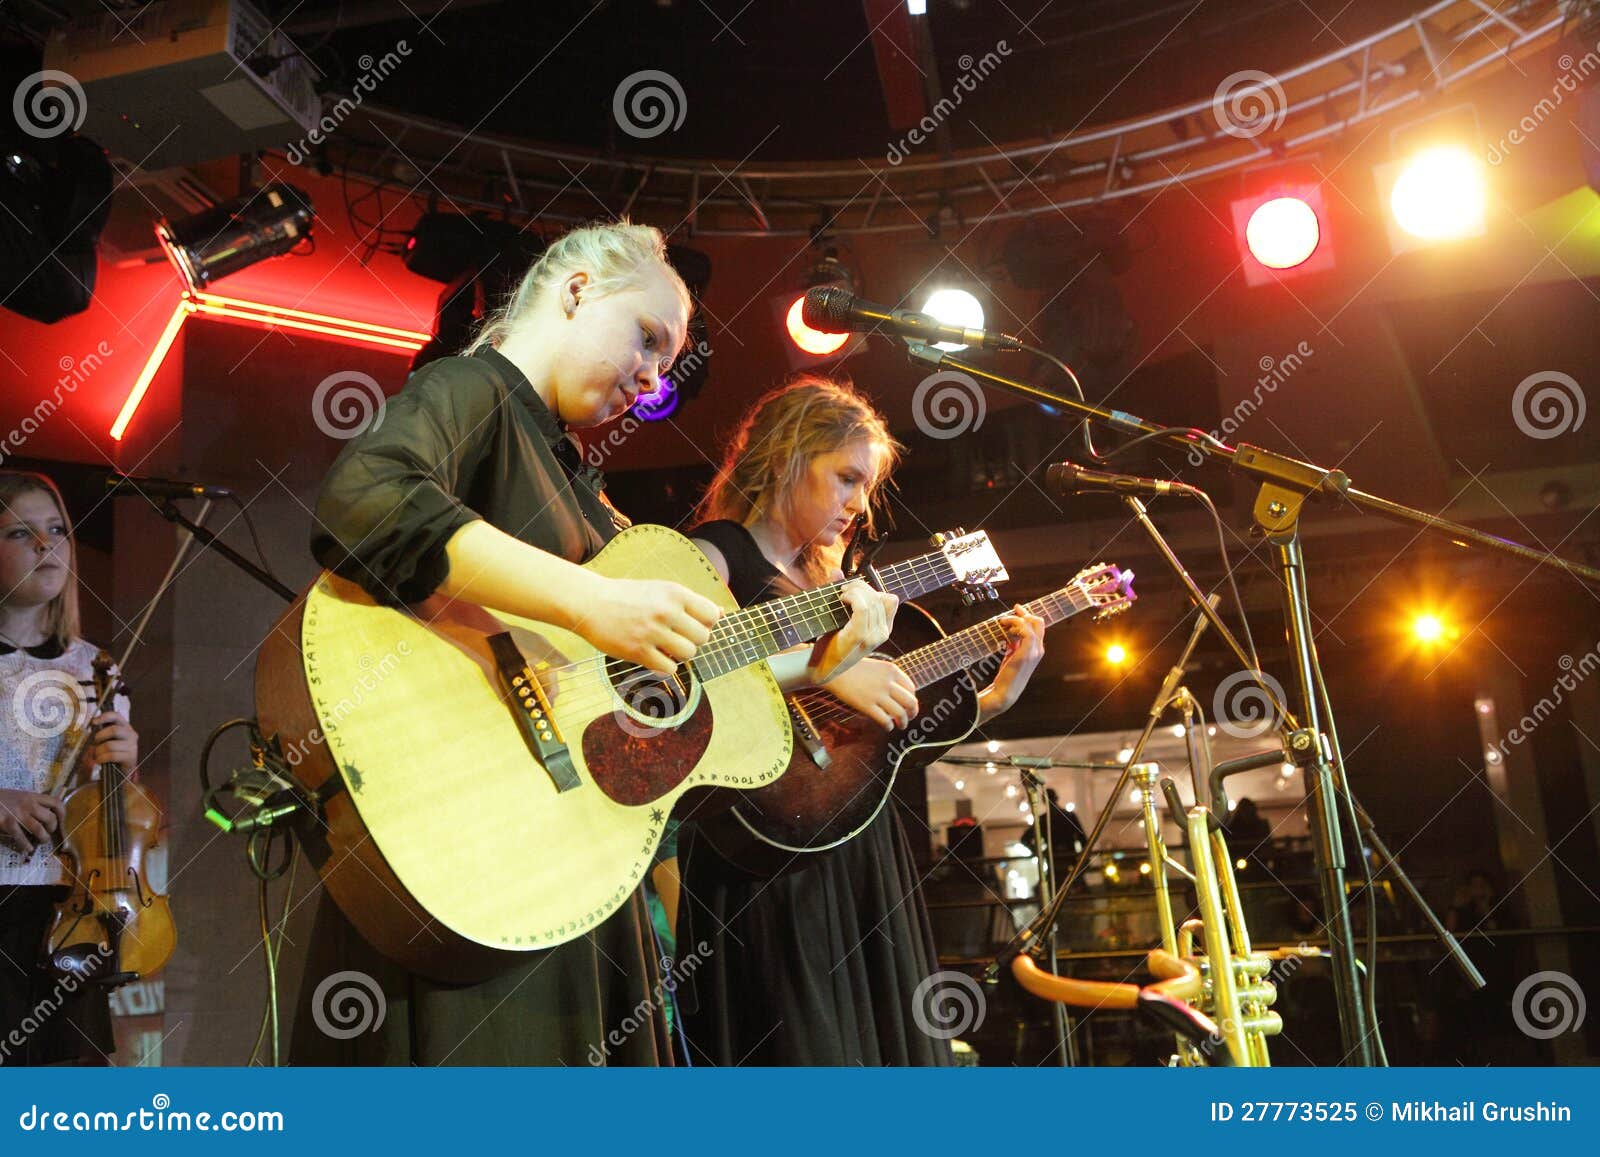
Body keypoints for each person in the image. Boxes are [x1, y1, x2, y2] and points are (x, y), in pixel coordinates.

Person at [290, 221, 895, 1066]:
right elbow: (367, 500)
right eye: (647, 339)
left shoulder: (576, 477)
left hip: (562, 858)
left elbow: (664, 670)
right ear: (576, 291)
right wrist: (591, 601)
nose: (653, 380)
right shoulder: (474, 389)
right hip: (469, 847)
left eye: (666, 362)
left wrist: (821, 664)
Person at [676, 375, 1046, 1065]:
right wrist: (832, 666)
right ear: (786, 458)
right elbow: (689, 669)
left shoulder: (839, 585)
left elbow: (872, 747)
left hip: (858, 850)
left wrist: (998, 696)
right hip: (766, 860)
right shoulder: (716, 551)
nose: (860, 504)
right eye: (846, 478)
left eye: (867, 487)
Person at [0, 470, 139, 1066]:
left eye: (56, 530)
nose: (45, 545)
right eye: (20, 532)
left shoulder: (96, 667)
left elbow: (114, 817)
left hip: (69, 910)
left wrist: (122, 768)